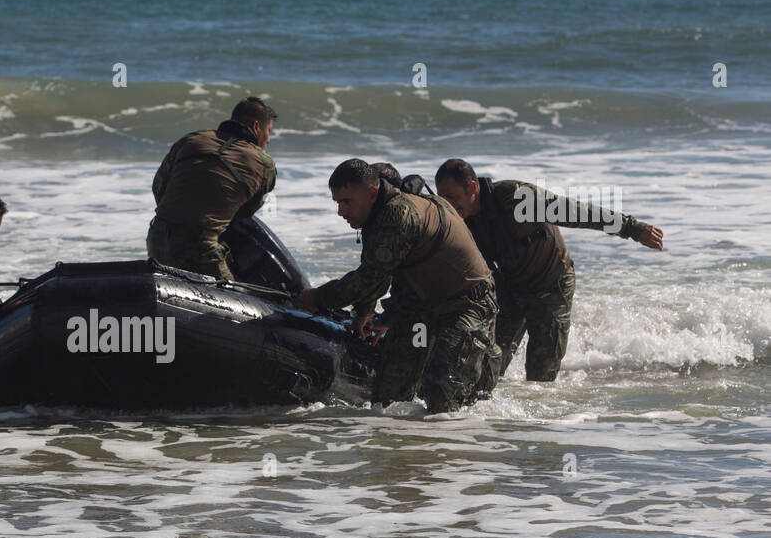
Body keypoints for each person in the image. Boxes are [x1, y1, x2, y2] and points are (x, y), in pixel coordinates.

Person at [297, 159, 500, 413]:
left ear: (372, 193)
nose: (341, 211)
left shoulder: (397, 214)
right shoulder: (379, 216)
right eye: (337, 203)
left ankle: (449, 449)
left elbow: (366, 279)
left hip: (467, 304)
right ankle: (395, 448)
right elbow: (386, 274)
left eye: (347, 202)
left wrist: (316, 297)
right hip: (422, 305)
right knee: (388, 392)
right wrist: (372, 314)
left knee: (441, 388)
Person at [434, 158, 665, 382]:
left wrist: (632, 228)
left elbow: (576, 212)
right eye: (441, 198)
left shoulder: (517, 198)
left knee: (541, 375)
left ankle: (535, 422)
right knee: (486, 367)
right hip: (509, 288)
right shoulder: (456, 217)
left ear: (472, 188)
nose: (447, 205)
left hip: (550, 283)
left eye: (452, 197)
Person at [146, 97, 277, 280]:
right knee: (233, 300)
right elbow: (242, 215)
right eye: (268, 131)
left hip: (157, 237)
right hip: (202, 249)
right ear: (256, 127)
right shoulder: (264, 163)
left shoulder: (191, 140)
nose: (268, 139)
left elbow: (158, 188)